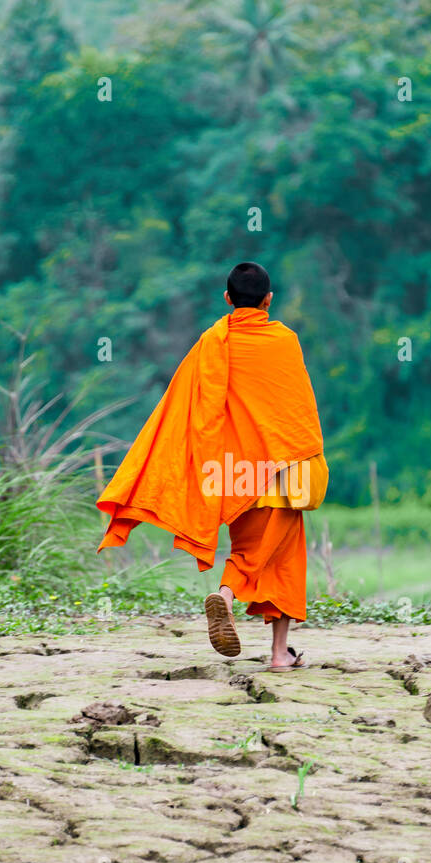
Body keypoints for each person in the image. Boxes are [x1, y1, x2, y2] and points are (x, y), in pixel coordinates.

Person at [97, 262, 327, 669]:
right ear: (269, 300)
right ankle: (246, 618)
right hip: (282, 470)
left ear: (227, 299)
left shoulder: (212, 342)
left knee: (253, 550)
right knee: (284, 557)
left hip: (234, 473)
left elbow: (187, 411)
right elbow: (297, 409)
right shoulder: (284, 340)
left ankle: (255, 627)